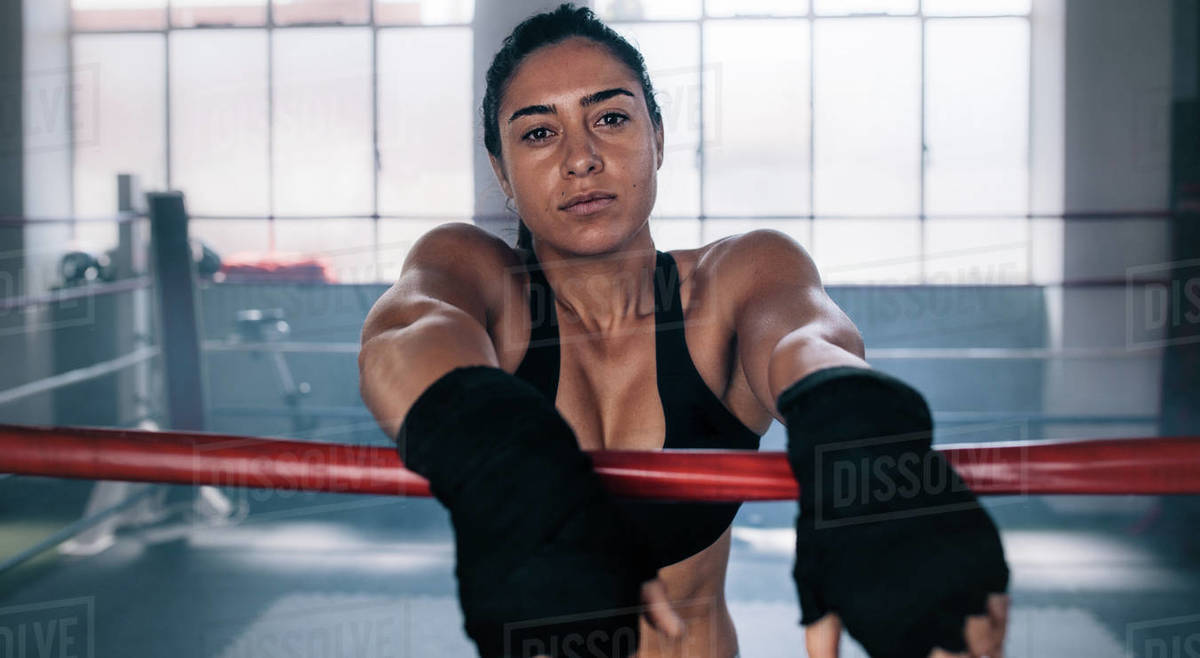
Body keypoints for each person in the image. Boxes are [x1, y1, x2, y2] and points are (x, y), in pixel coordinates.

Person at [359, 5, 1010, 657]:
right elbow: (410, 331)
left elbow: (805, 343)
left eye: (610, 118)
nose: (581, 158)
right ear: (501, 171)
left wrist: (862, 434)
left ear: (658, 138)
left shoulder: (739, 277)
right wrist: (511, 467)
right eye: (537, 133)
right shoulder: (475, 275)